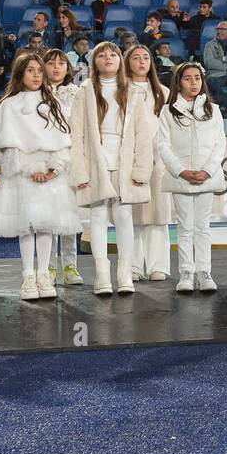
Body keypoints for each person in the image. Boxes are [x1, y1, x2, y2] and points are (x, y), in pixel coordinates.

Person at [0, 51, 83, 300]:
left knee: (47, 224)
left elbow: (62, 142)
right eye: (30, 71)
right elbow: (6, 144)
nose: (36, 75)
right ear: (20, 74)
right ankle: (28, 275)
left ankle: (43, 275)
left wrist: (53, 169)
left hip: (50, 173)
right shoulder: (9, 105)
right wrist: (30, 169)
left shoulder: (52, 103)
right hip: (22, 173)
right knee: (26, 225)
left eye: (39, 71)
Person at [70, 41, 156, 295]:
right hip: (95, 163)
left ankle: (125, 274)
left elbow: (142, 133)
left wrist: (141, 170)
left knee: (123, 219)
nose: (108, 58)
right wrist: (80, 171)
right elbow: (76, 135)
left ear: (120, 60)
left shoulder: (132, 91)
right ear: (94, 61)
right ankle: (102, 276)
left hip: (124, 163)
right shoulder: (83, 91)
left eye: (113, 54)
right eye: (102, 55)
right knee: (96, 219)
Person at [158, 62, 227, 294]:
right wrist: (181, 170)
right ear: (179, 82)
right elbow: (163, 146)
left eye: (197, 78)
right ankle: (186, 273)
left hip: (206, 177)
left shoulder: (213, 110)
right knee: (185, 227)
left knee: (202, 227)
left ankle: (204, 271)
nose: (194, 82)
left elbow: (219, 144)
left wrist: (207, 170)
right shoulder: (168, 111)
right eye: (188, 78)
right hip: (181, 178)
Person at [124, 45, 173, 284]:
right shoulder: (121, 91)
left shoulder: (162, 92)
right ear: (127, 62)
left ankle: (158, 265)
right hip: (130, 159)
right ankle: (133, 265)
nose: (142, 62)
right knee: (133, 216)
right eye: (136, 57)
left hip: (158, 159)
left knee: (158, 214)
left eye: (146, 57)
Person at [44, 49, 85, 285]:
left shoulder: (77, 93)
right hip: (46, 161)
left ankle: (70, 266)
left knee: (69, 214)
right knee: (48, 217)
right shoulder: (37, 93)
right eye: (51, 63)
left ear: (68, 68)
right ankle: (48, 267)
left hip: (70, 161)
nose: (56, 67)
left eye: (61, 63)